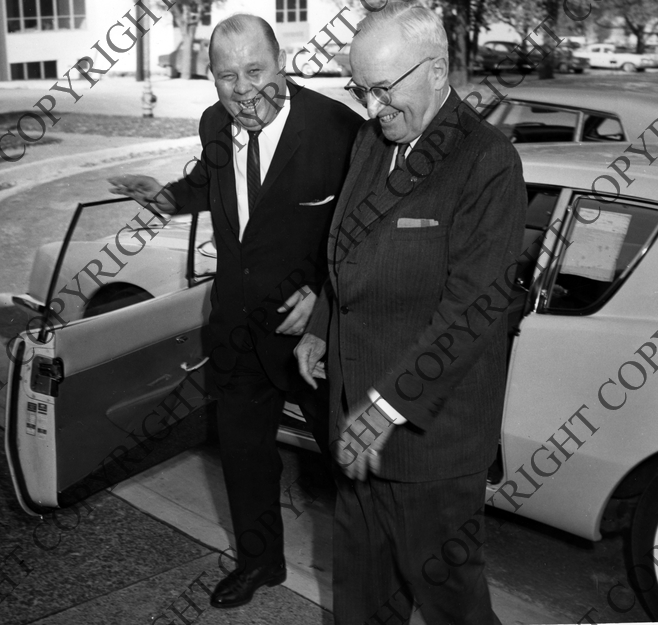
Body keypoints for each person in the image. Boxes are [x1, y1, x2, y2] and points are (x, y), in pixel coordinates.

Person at [108, 14, 363, 609]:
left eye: (256, 71)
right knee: (245, 457)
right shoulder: (214, 124)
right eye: (228, 76)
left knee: (349, 466)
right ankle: (259, 564)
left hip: (315, 339)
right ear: (212, 79)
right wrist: (167, 196)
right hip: (237, 330)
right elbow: (213, 178)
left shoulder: (339, 130)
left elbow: (368, 229)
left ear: (282, 63)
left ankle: (370, 587)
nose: (244, 89)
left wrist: (327, 297)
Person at [294, 3, 527, 623]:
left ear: (437, 69)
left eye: (383, 89)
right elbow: (346, 245)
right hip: (355, 421)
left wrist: (386, 410)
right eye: (361, 90)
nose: (371, 109)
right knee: (362, 600)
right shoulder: (374, 142)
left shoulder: (488, 161)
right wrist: (322, 326)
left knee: (451, 604)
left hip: (430, 446)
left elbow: (473, 312)